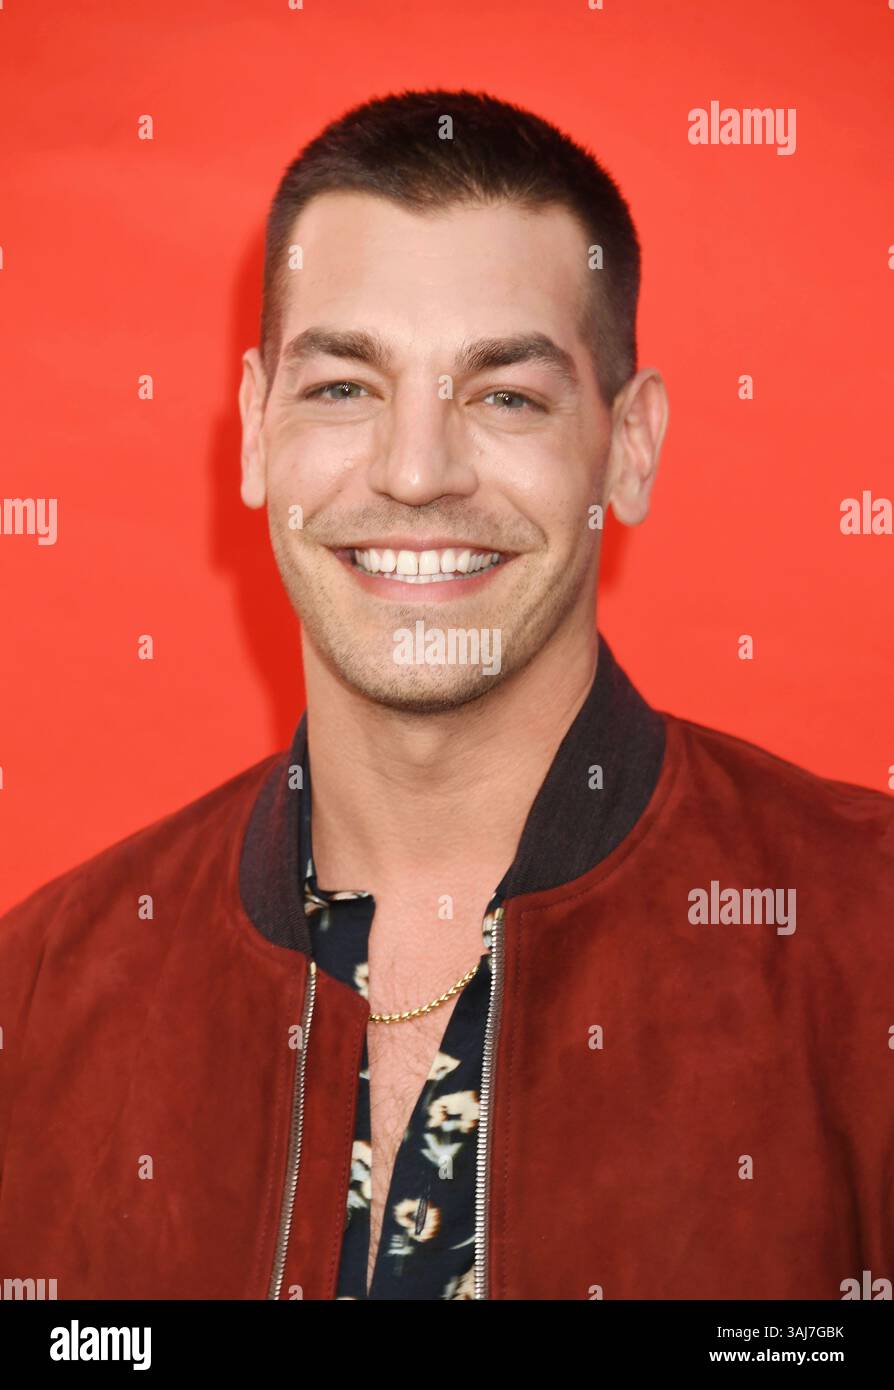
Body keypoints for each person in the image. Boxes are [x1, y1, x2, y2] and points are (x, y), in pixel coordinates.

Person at [1, 88, 891, 1302]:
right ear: (256, 431)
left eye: (506, 396)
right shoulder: (43, 992)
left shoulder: (866, 942)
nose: (417, 472)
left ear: (629, 447)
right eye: (345, 388)